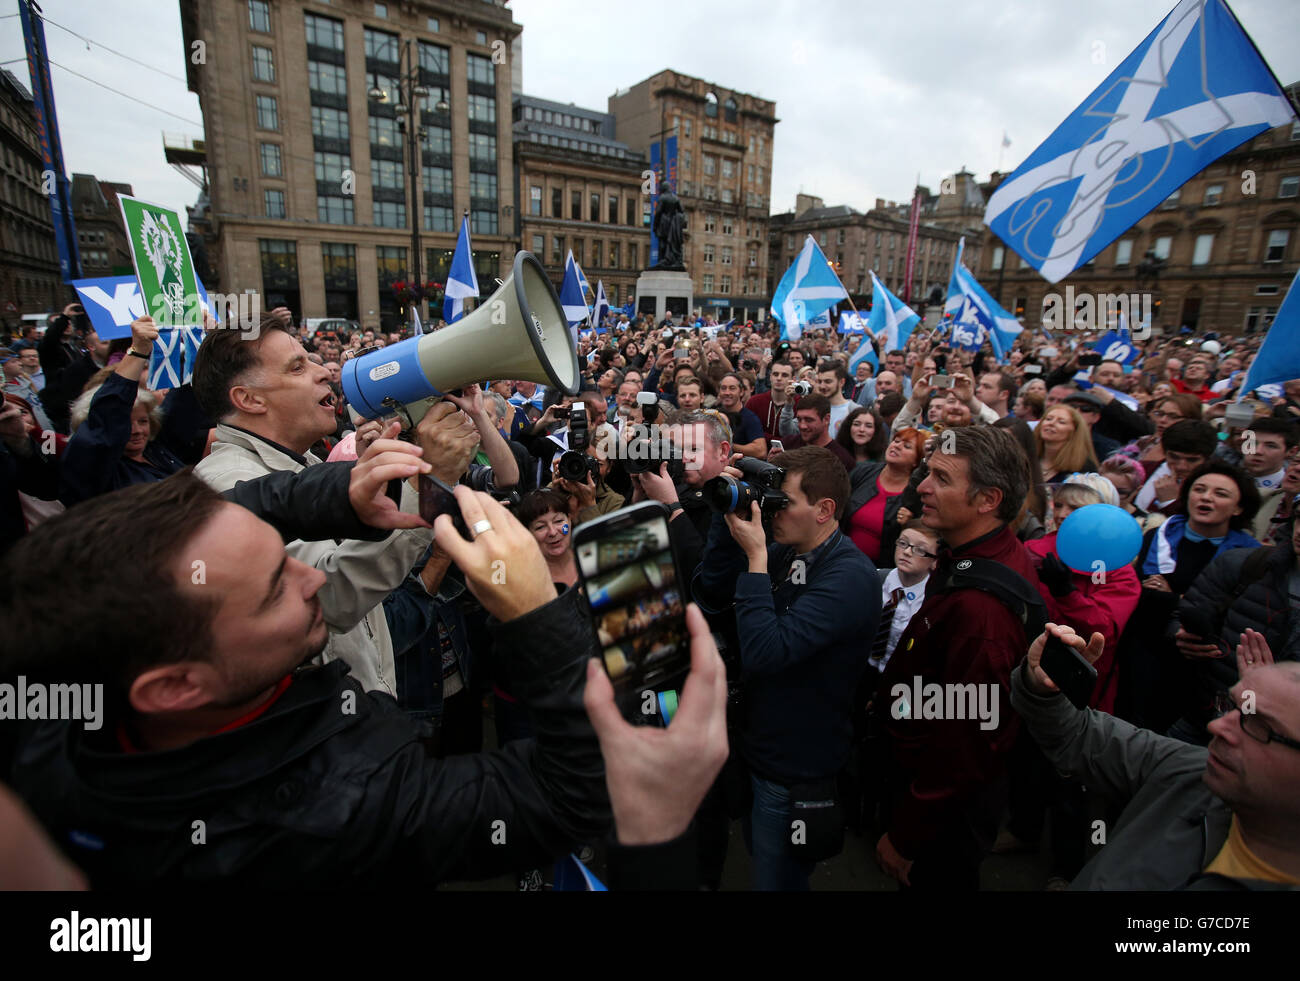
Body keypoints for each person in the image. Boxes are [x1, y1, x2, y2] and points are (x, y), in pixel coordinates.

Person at [0, 464, 620, 887]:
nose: (315, 578)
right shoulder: (342, 810)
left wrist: (333, 497)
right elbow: (574, 794)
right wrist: (536, 612)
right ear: (175, 687)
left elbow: (226, 521)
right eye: (275, 590)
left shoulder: (50, 691)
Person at [190, 312, 477, 694]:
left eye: (310, 357)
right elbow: (331, 597)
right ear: (249, 399)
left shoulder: (304, 464)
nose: (324, 371)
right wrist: (433, 482)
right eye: (296, 368)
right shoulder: (228, 482)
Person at [695, 446, 879, 890]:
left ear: (824, 510)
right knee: (761, 852)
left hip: (794, 766)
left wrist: (756, 560)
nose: (772, 513)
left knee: (776, 877)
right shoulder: (788, 549)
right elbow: (712, 591)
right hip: (755, 744)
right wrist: (730, 519)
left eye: (784, 503)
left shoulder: (849, 576)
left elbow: (766, 652)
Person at [874, 425, 1045, 891]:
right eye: (927, 473)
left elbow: (968, 745)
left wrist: (908, 835)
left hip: (943, 816)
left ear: (988, 499)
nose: (923, 486)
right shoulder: (971, 557)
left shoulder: (982, 613)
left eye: (942, 479)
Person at [1012, 623, 1300, 888]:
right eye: (1231, 707)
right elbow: (1080, 736)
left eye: (1258, 724)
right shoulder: (1188, 772)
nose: (1217, 726)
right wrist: (1044, 689)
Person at [1165, 514, 1299, 747]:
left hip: (1273, 743)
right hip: (1200, 719)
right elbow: (1180, 616)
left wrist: (1274, 685)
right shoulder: (1246, 565)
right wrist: (1181, 635)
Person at [57, 316, 188, 507]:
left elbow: (183, 403)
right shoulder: (92, 467)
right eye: (125, 423)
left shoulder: (157, 450)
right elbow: (108, 418)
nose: (136, 430)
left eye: (143, 421)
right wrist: (138, 351)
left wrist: (202, 342)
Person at [841, 426, 926, 564]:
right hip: (841, 557)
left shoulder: (916, 493)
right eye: (896, 441)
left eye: (907, 446)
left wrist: (908, 523)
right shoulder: (863, 471)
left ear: (916, 461)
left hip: (880, 568)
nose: (897, 446)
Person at [1133, 419, 1218, 516]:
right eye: (1174, 457)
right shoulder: (1141, 469)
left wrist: (1170, 502)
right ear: (1164, 453)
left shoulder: (1217, 485)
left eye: (1192, 460)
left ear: (1207, 458)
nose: (1181, 466)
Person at [1113, 392, 1202, 481]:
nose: (1162, 420)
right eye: (1160, 413)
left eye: (1173, 416)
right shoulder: (1145, 441)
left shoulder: (1191, 454)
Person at [781, 394, 856, 471]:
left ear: (826, 419)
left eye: (809, 420)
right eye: (799, 420)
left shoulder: (842, 459)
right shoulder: (787, 444)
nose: (802, 426)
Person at [1035, 405, 1099, 483]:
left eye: (1061, 422)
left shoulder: (1084, 468)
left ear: (1074, 431)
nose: (1051, 423)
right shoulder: (1026, 457)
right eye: (1048, 419)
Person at [716, 372, 766, 459]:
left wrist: (727, 445)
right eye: (723, 388)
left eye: (732, 388)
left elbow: (761, 451)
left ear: (741, 391)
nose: (727, 392)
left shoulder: (749, 418)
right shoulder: (713, 415)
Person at [1062, 392, 1121, 463]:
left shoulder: (1108, 447)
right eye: (1072, 407)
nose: (1076, 411)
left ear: (1096, 417)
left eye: (1085, 409)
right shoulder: (1051, 436)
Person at [815, 360, 853, 438]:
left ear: (841, 382)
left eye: (828, 382)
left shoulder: (853, 410)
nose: (822, 386)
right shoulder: (813, 408)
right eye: (819, 381)